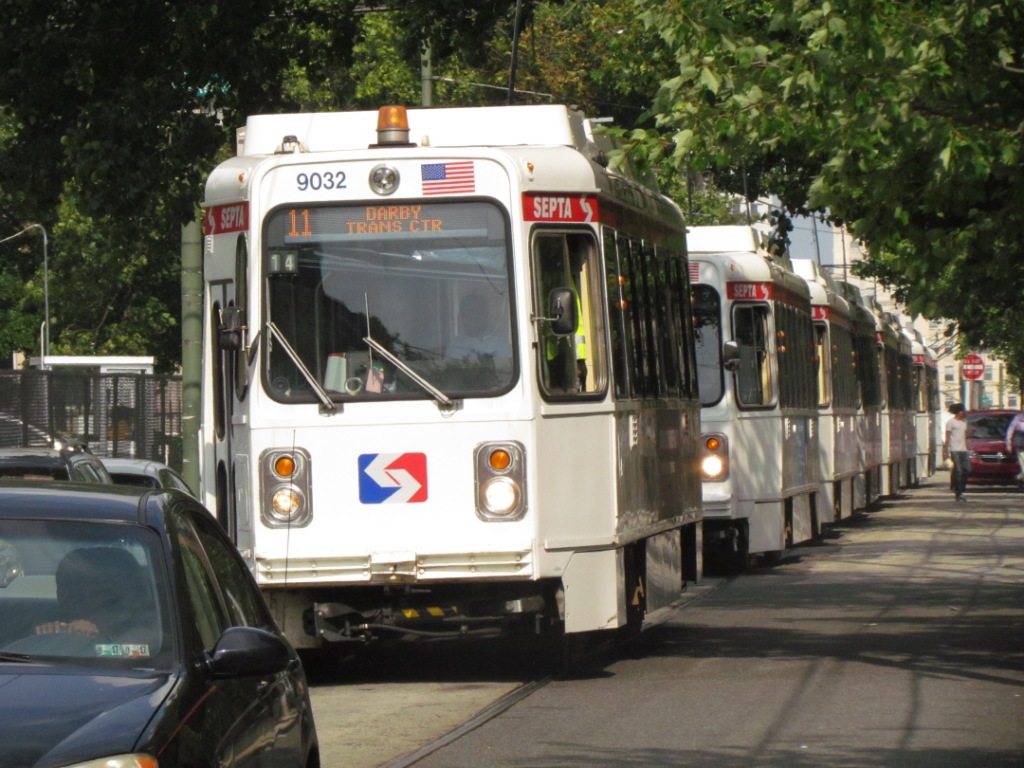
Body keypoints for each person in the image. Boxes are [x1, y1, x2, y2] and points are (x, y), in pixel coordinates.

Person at [35, 547, 153, 640]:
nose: (70, 595)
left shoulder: (150, 634)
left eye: (78, 585)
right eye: (64, 585)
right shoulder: (51, 623)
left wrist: (94, 637)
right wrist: (48, 636)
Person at [446, 292, 511, 362]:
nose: (472, 317)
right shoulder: (454, 345)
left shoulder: (499, 343)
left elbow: (506, 368)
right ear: (461, 316)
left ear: (485, 315)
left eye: (476, 312)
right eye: (467, 313)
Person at [944, 403, 970, 501]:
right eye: (964, 410)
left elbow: (965, 436)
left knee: (967, 470)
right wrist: (945, 450)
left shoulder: (964, 422)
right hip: (955, 450)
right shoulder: (951, 422)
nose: (965, 412)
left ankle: (958, 487)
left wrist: (973, 431)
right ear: (959, 412)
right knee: (958, 471)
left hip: (964, 450)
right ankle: (959, 493)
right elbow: (947, 437)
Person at [1005, 411, 1024, 483]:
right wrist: (1008, 444)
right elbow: (1010, 431)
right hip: (1020, 443)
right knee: (1022, 462)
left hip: (1019, 442)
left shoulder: (1018, 418)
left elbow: (1010, 431)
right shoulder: (1018, 418)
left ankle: (1020, 477)